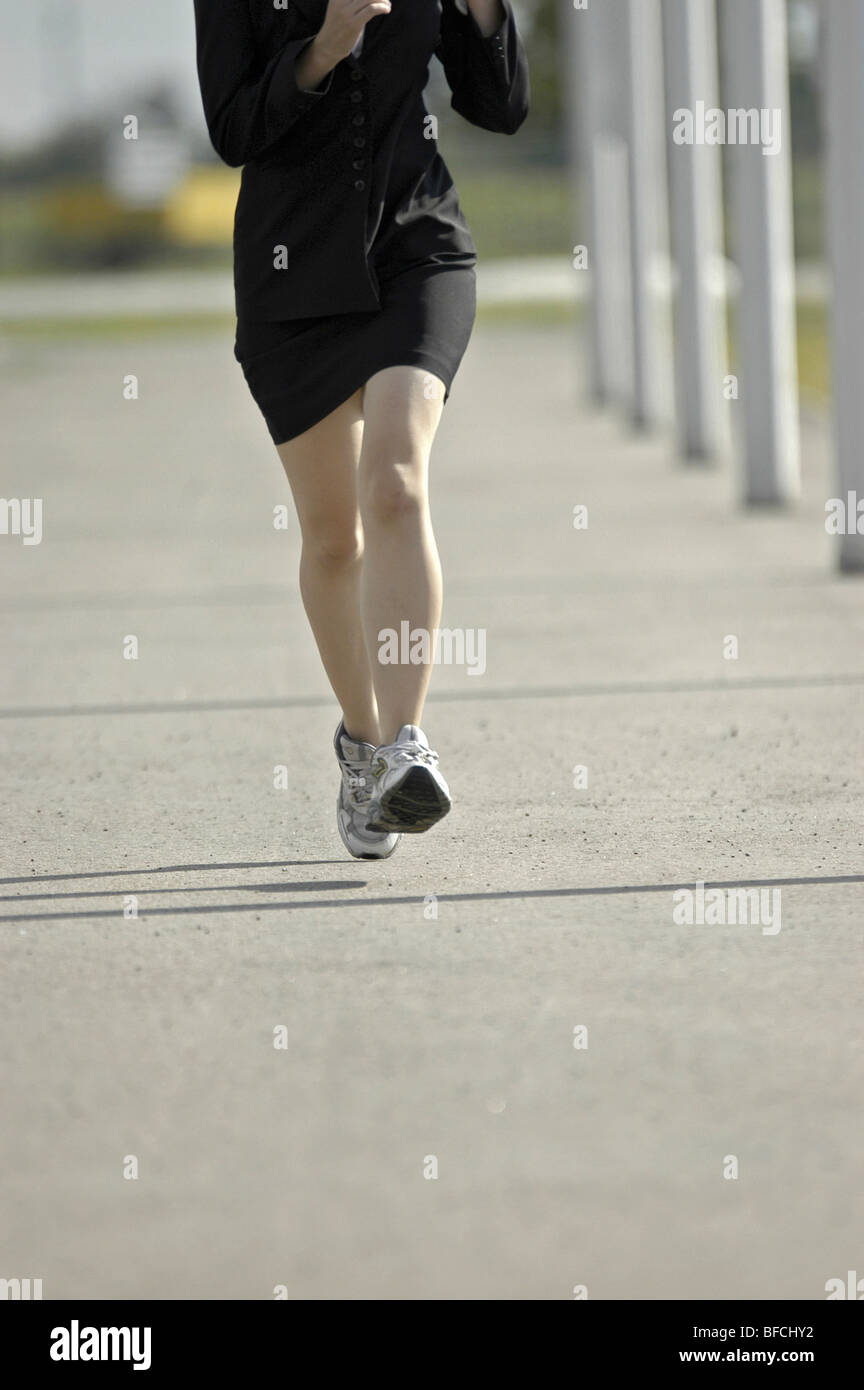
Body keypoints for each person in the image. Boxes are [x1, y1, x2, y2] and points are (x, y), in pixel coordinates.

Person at [192, 0, 529, 858]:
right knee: (333, 538)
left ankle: (403, 745)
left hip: (417, 249)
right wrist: (326, 47)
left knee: (395, 479)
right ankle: (362, 746)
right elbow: (233, 127)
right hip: (290, 277)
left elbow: (500, 106)